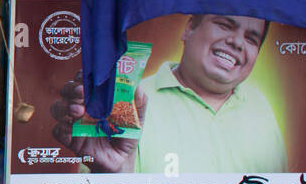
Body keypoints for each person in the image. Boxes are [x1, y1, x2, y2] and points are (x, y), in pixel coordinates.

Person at [51, 13, 286, 174]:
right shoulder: (130, 101)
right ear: (189, 28)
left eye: (251, 38)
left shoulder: (260, 106)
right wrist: (113, 179)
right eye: (225, 25)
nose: (237, 43)